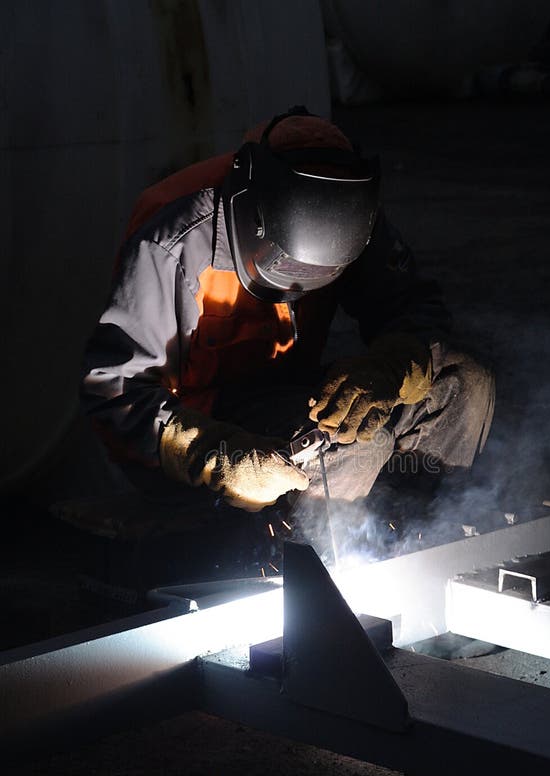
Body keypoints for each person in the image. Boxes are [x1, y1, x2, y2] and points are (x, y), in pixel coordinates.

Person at [80, 106, 494, 525]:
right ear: (254, 214)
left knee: (462, 384)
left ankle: (425, 533)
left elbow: (411, 305)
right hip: (190, 434)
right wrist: (215, 456)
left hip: (286, 395)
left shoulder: (349, 214)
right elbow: (117, 393)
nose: (303, 285)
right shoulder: (173, 242)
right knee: (351, 449)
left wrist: (389, 365)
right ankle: (320, 567)